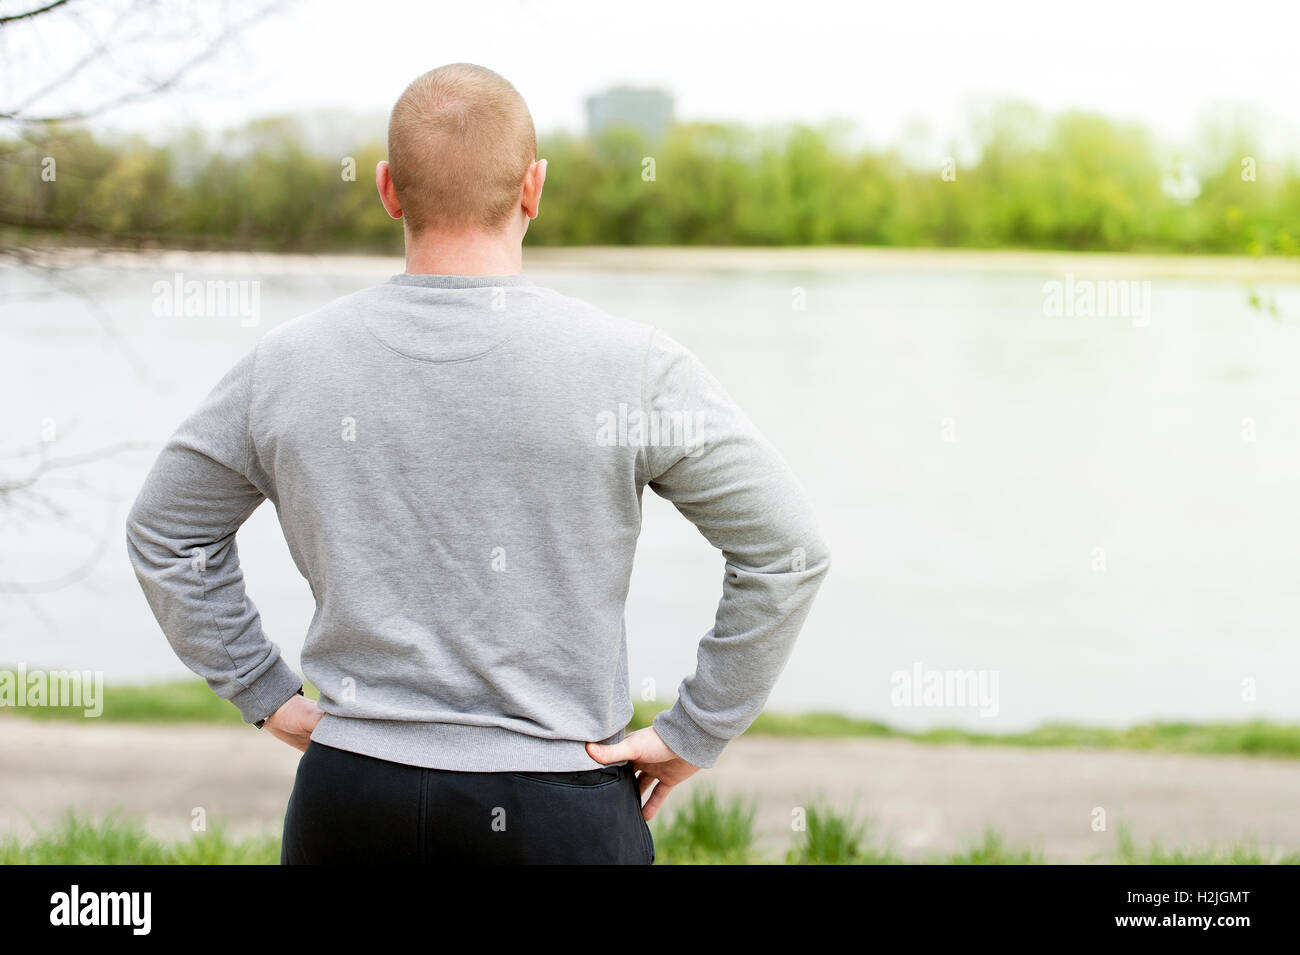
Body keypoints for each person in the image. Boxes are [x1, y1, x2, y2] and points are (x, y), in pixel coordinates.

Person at [125, 63, 830, 865]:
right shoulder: (632, 367)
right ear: (534, 187)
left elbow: (164, 533)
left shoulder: (286, 364)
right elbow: (789, 549)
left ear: (388, 189)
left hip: (351, 801)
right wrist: (695, 728)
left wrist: (263, 692)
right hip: (559, 809)